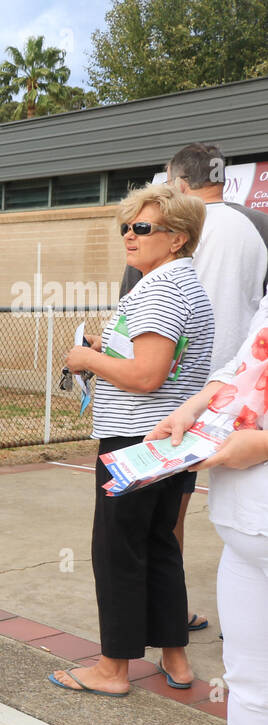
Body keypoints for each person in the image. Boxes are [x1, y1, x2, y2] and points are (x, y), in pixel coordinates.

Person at [57, 183, 213, 696]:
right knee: (160, 545)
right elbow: (158, 361)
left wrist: (85, 360)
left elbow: (147, 375)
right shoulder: (184, 282)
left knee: (118, 550)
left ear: (177, 238)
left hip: (134, 441)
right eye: (126, 225)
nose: (129, 235)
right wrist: (110, 349)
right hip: (169, 440)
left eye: (142, 227)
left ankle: (113, 668)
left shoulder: (162, 287)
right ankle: (177, 659)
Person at [122, 144, 268, 632]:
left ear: (178, 182)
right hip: (243, 393)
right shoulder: (257, 225)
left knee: (167, 518)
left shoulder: (161, 230)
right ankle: (234, 610)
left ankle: (172, 617)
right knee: (223, 517)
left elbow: (131, 320)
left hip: (186, 391)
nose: (133, 233)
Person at [148, 305, 268, 725]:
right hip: (245, 527)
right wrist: (191, 410)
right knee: (248, 679)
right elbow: (244, 362)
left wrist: (262, 446)